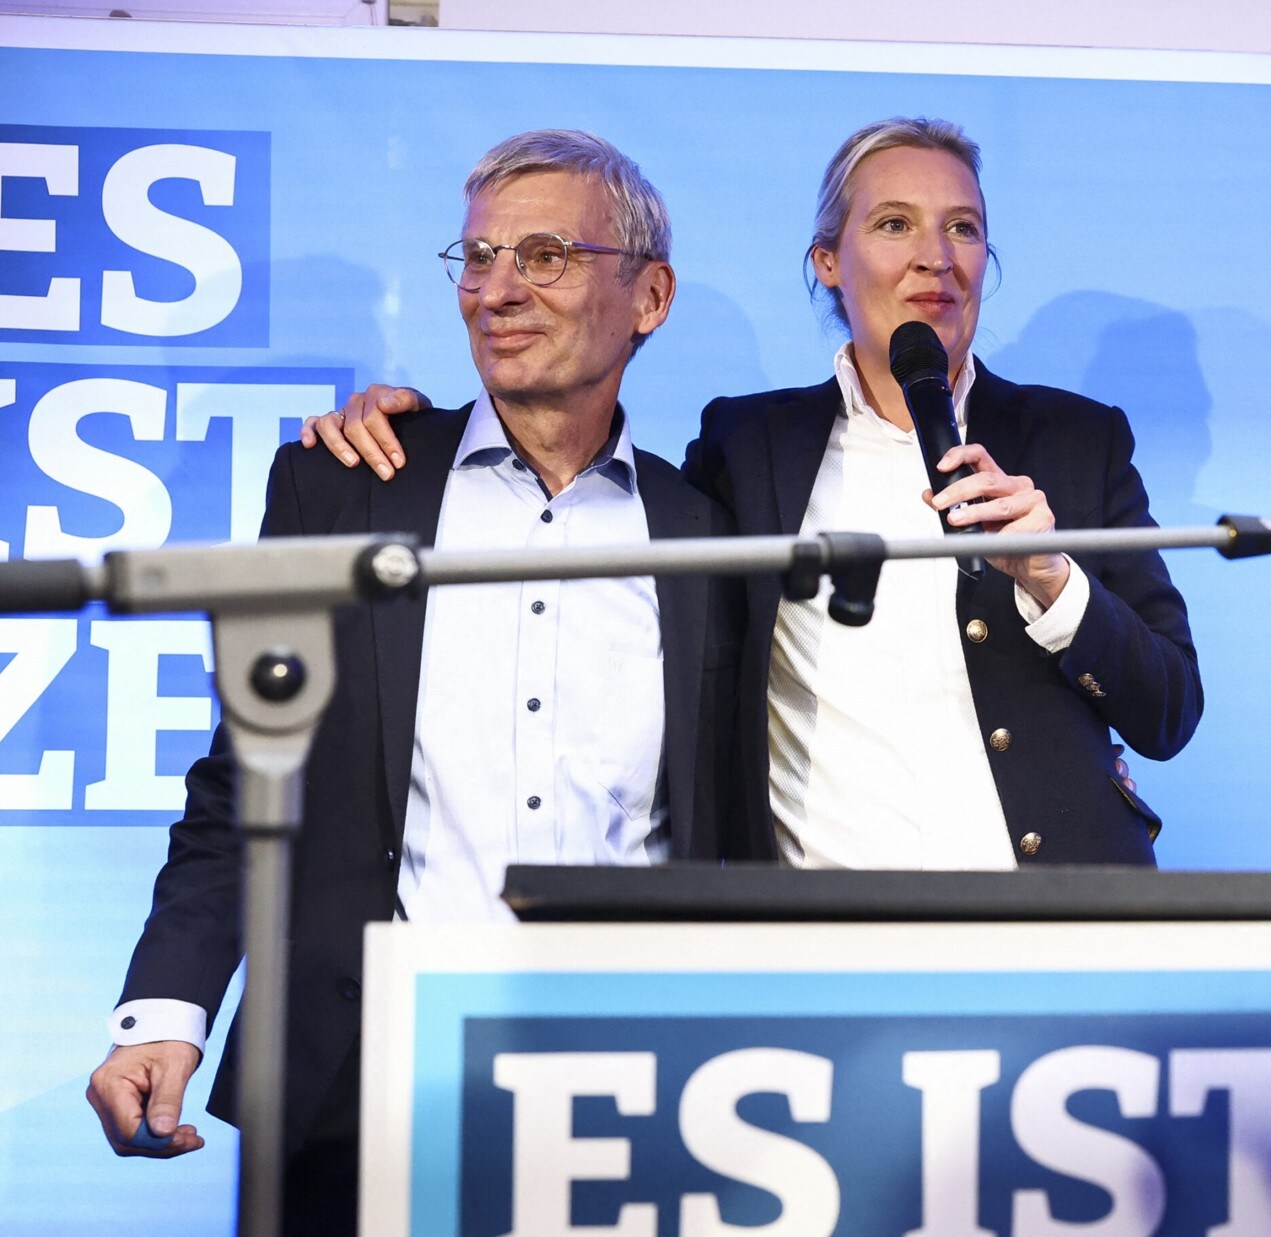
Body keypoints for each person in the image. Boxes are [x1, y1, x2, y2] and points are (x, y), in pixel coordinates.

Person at [85, 130, 741, 1231]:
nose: (497, 290)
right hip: (357, 1092)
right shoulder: (345, 484)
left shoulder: (708, 535)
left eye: (544, 255)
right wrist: (163, 1010)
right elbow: (247, 780)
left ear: (651, 296)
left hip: (629, 1093)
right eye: (477, 257)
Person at [301, 117, 1201, 868]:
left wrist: (1053, 577)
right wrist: (400, 423)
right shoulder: (749, 447)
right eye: (894, 224)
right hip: (826, 954)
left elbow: (1167, 710)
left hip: (1049, 925)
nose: (936, 257)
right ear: (827, 260)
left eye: (963, 228)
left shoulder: (1076, 441)